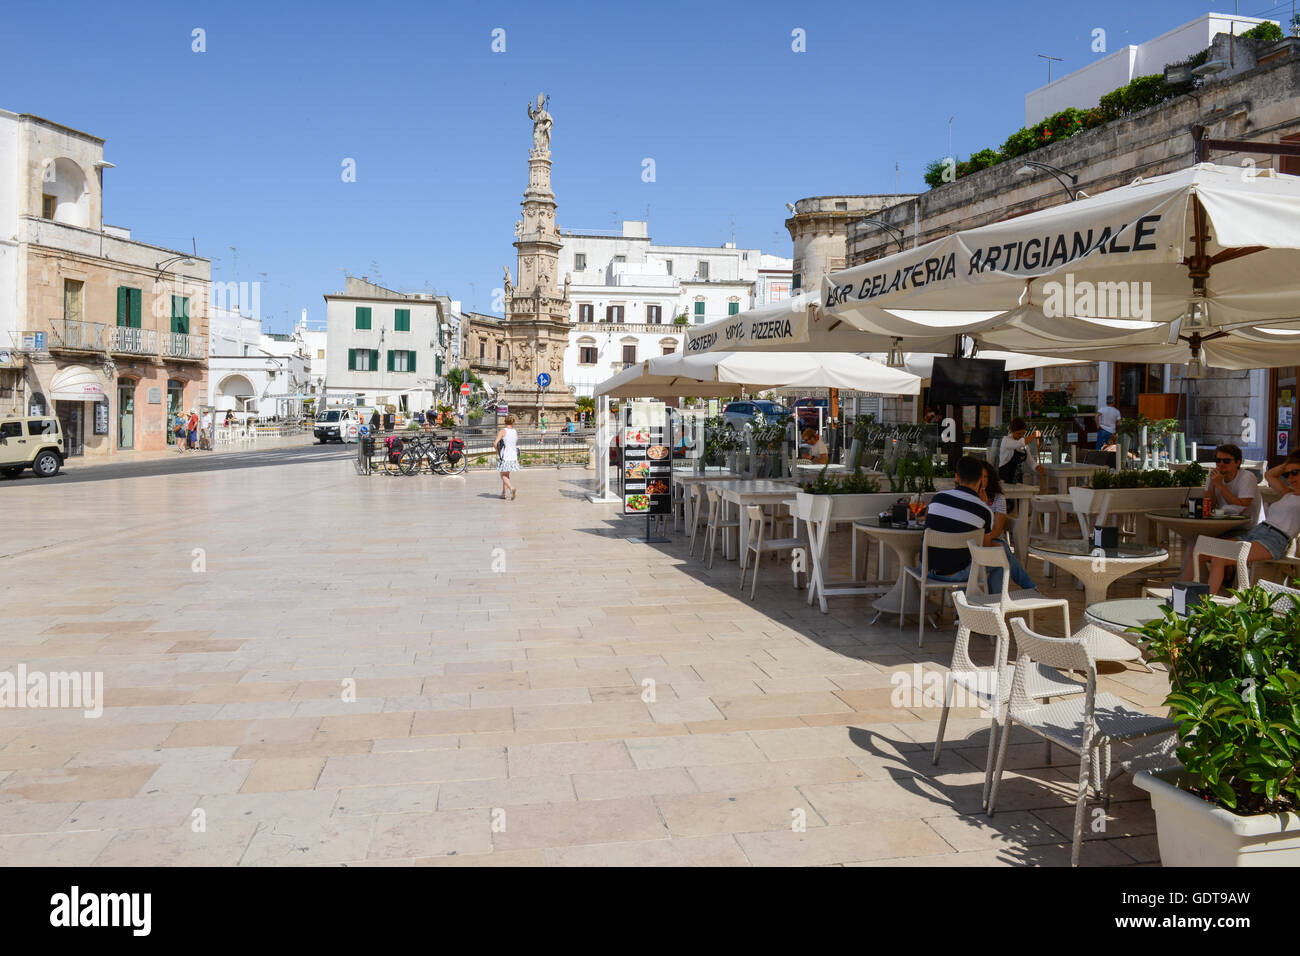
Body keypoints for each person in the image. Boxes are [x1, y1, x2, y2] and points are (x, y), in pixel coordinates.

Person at [1201, 450, 1300, 593]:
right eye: (1287, 474)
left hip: (1275, 539)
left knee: (1219, 556)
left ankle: (1206, 604)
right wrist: (1290, 463)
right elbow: (1269, 475)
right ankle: (1191, 594)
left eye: (1295, 472)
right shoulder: (1288, 494)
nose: (1290, 478)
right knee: (1206, 550)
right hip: (1257, 532)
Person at [922, 455, 995, 588]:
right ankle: (989, 605)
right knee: (1001, 563)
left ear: (957, 477)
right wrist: (982, 504)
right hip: (958, 574)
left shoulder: (938, 498)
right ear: (980, 480)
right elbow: (985, 549)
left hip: (926, 570)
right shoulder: (984, 511)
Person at [979, 461, 1038, 591]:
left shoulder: (998, 498)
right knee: (1003, 552)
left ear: (990, 479)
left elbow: (997, 530)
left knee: (1001, 551)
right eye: (979, 476)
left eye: (985, 477)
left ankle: (996, 600)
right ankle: (1029, 587)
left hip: (991, 539)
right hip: (976, 542)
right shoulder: (969, 496)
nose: (982, 480)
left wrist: (985, 540)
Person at [998, 417, 1043, 486]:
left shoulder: (1024, 445)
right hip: (1005, 477)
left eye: (1023, 433)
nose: (1021, 435)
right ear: (1011, 431)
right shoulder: (1006, 440)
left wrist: (1037, 467)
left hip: (1017, 477)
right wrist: (1033, 435)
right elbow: (1019, 443)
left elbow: (1030, 461)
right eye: (1018, 433)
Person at [495, 414, 520, 499]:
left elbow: (495, 444)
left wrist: (498, 452)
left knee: (503, 475)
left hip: (505, 455)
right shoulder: (515, 431)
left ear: (505, 421)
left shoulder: (503, 431)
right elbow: (515, 442)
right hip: (513, 455)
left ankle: (511, 488)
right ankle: (503, 493)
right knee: (507, 475)